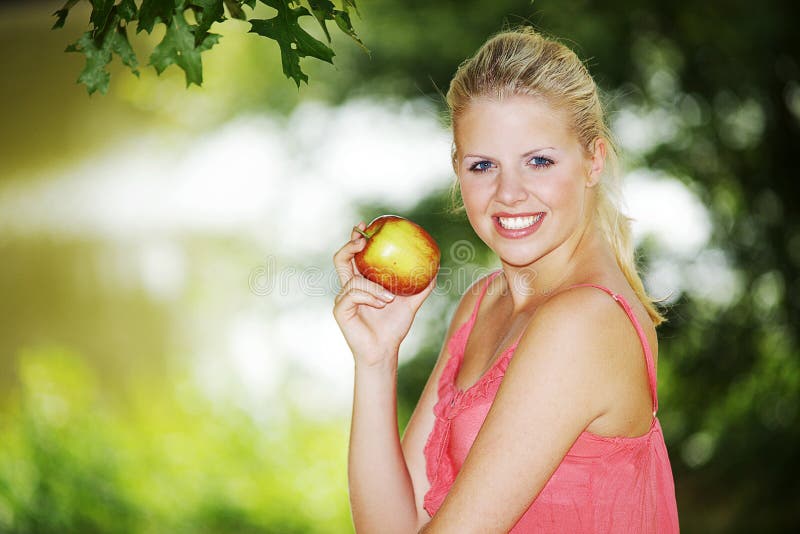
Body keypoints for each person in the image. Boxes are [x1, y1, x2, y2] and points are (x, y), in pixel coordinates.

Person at [333, 27, 679, 533]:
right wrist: (376, 360)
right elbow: (392, 527)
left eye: (539, 161)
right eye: (483, 166)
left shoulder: (585, 322)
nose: (509, 193)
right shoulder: (483, 302)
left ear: (593, 160)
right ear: (458, 170)